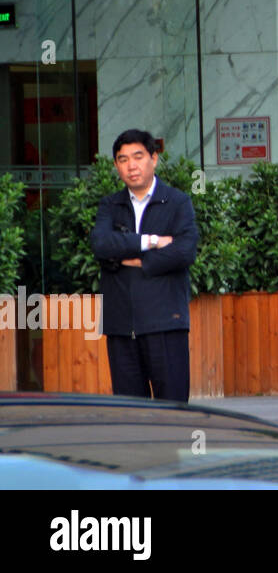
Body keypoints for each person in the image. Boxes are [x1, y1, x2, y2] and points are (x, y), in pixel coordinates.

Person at [89, 129, 199, 402]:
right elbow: (102, 245)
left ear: (154, 159)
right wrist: (151, 241)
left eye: (138, 157)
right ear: (116, 165)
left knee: (172, 410)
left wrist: (138, 259)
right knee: (130, 415)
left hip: (165, 323)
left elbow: (184, 251)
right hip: (121, 326)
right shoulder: (110, 205)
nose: (131, 165)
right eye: (123, 159)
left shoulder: (177, 202)